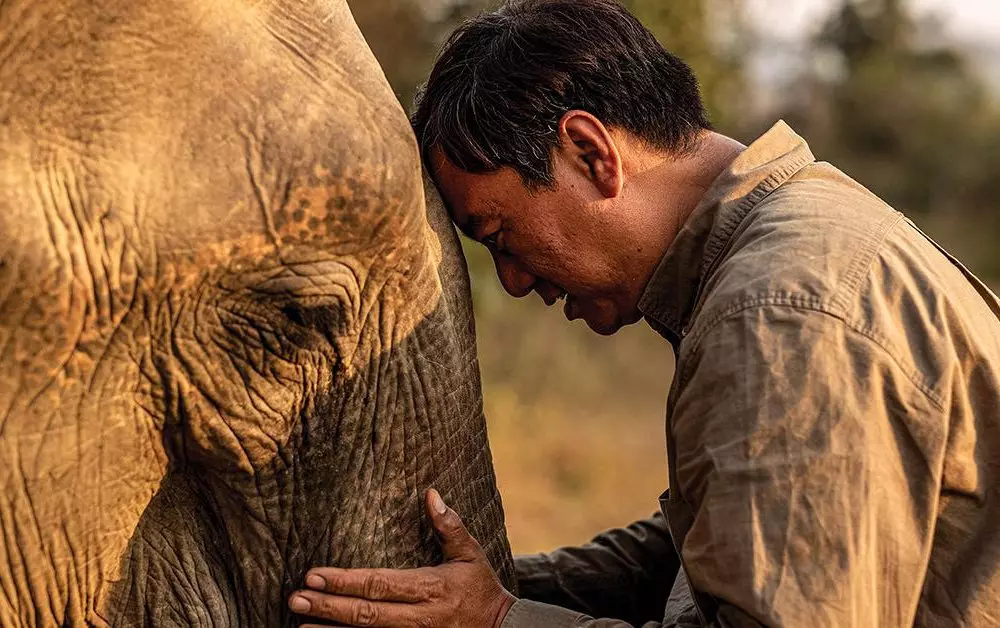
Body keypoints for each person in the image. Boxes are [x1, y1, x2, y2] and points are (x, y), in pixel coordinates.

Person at [288, 0, 1000, 625]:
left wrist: (499, 622)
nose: (511, 281)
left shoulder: (778, 311)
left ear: (591, 153)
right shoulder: (799, 238)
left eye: (501, 235)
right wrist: (487, 588)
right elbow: (706, 550)